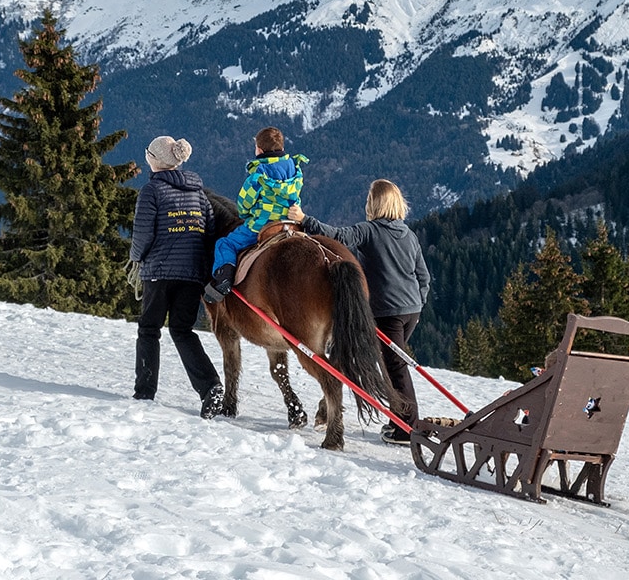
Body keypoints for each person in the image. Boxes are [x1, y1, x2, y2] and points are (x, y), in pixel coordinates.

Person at [287, 179, 430, 444]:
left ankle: (405, 429)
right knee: (391, 364)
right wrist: (417, 303)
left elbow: (339, 237)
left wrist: (305, 219)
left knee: (395, 368)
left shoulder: (370, 231)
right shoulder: (408, 234)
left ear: (374, 204)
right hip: (411, 310)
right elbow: (423, 276)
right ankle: (398, 421)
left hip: (387, 312)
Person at [129, 135, 225, 418]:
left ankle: (145, 391)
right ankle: (210, 387)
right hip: (192, 274)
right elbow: (208, 233)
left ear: (155, 160)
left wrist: (137, 258)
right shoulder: (199, 193)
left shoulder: (151, 191)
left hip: (159, 272)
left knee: (149, 329)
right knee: (182, 331)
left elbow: (143, 236)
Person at [204, 126, 308, 303]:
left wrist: (247, 214)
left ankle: (224, 279)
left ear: (259, 149)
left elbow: (244, 204)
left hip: (262, 226)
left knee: (225, 243)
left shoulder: (258, 175)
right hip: (292, 223)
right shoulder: (295, 169)